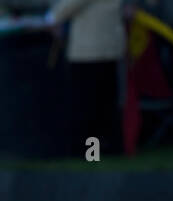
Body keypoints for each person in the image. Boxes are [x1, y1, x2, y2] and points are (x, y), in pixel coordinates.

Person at [49, 0, 126, 153]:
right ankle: (108, 148)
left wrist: (52, 17)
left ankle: (91, 152)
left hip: (89, 49)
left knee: (87, 106)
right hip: (109, 45)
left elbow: (70, 5)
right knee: (105, 104)